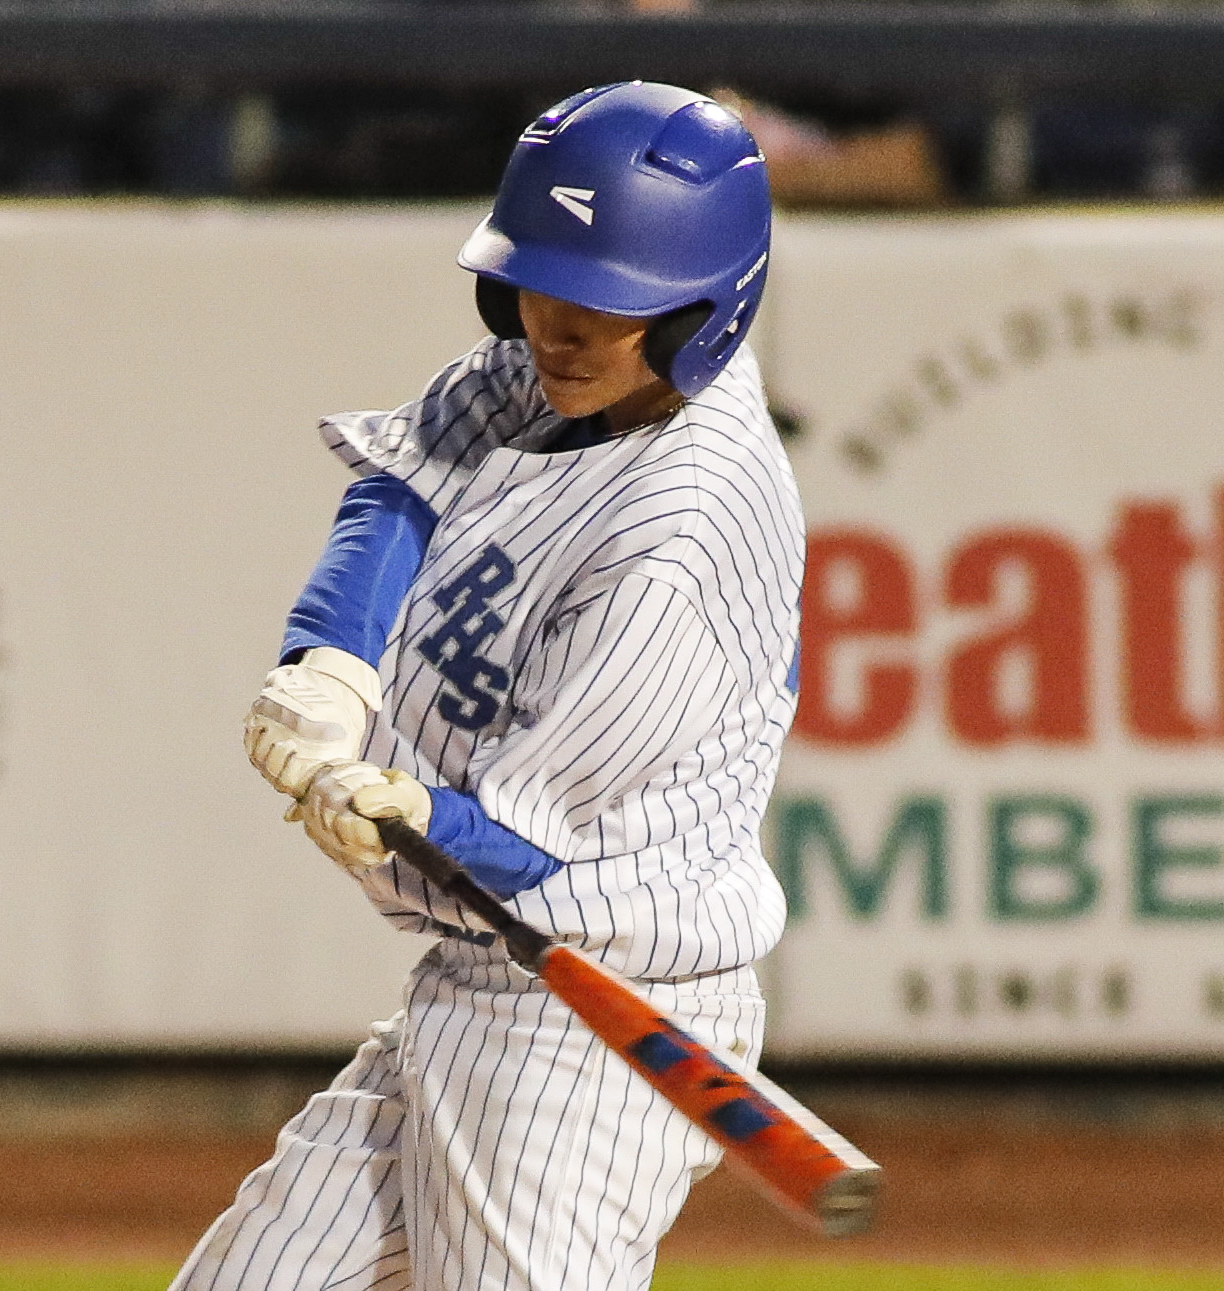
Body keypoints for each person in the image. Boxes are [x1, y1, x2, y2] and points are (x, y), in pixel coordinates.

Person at [173, 80, 805, 1291]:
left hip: (591, 1022)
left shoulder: (687, 532)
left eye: (602, 305)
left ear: (697, 311)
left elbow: (516, 846)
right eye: (537, 287)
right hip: (469, 978)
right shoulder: (562, 370)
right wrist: (332, 665)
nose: (554, 330)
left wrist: (394, 811)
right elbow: (401, 481)